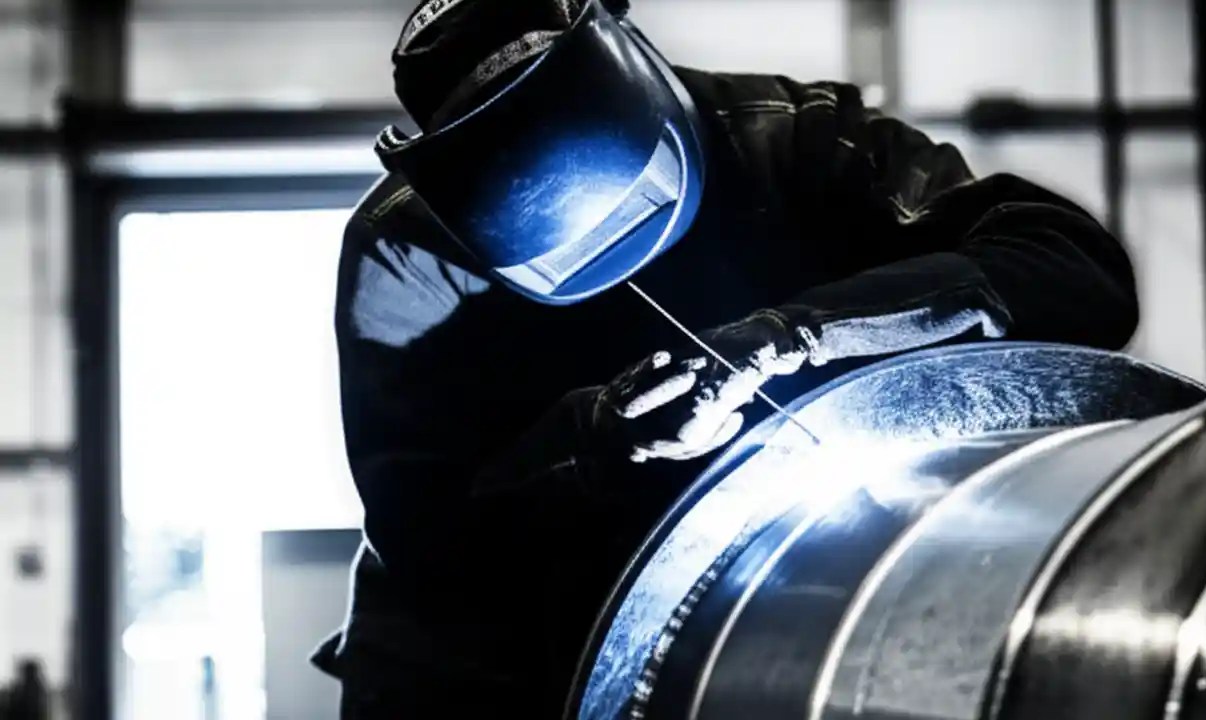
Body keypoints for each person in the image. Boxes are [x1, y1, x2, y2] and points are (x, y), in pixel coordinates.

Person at [312, 0, 1139, 716]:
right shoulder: (407, 249)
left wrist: (796, 334)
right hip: (499, 675)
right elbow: (427, 533)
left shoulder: (789, 134)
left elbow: (1074, 270)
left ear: (615, 44)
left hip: (775, 619)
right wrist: (602, 441)